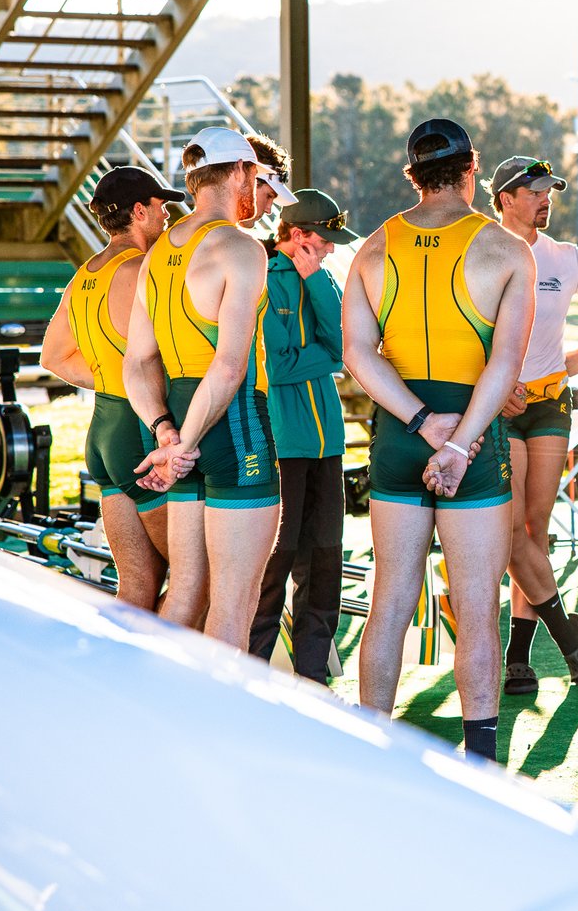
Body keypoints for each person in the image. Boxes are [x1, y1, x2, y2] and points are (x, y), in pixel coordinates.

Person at [342, 118, 534, 760]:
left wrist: (423, 425)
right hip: (474, 442)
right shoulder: (506, 249)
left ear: (413, 175)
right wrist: (457, 442)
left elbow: (359, 357)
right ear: (472, 171)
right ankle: (480, 758)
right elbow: (505, 363)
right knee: (477, 607)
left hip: (399, 434)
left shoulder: (372, 249)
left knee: (390, 599)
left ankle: (373, 745)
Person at [122, 127, 281, 649]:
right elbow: (231, 366)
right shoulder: (240, 248)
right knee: (233, 608)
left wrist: (166, 435)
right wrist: (186, 446)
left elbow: (139, 362)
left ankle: (152, 713)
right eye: (254, 176)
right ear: (240, 172)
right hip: (231, 429)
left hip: (176, 424)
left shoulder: (157, 252)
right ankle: (219, 728)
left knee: (187, 590)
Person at [487, 155, 578, 696]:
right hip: (496, 408)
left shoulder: (565, 258)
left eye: (550, 191)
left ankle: (519, 654)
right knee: (510, 535)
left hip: (551, 404)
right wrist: (493, 385)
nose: (545, 199)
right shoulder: (483, 249)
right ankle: (567, 634)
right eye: (534, 191)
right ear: (504, 198)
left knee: (533, 531)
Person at [38, 166, 184, 611]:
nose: (168, 217)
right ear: (139, 212)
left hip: (104, 432)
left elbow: (53, 357)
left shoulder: (85, 274)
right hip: (141, 433)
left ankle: (123, 678)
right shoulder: (143, 269)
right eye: (162, 207)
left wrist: (110, 378)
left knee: (136, 591)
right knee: (195, 582)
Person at [247, 190, 361, 683]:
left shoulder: (321, 277)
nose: (332, 248)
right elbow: (279, 365)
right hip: (284, 442)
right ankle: (251, 674)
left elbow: (348, 347)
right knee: (278, 560)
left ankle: (313, 675)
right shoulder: (261, 278)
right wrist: (328, 357)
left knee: (325, 560)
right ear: (296, 236)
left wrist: (317, 283)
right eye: (325, 239)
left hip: (326, 443)